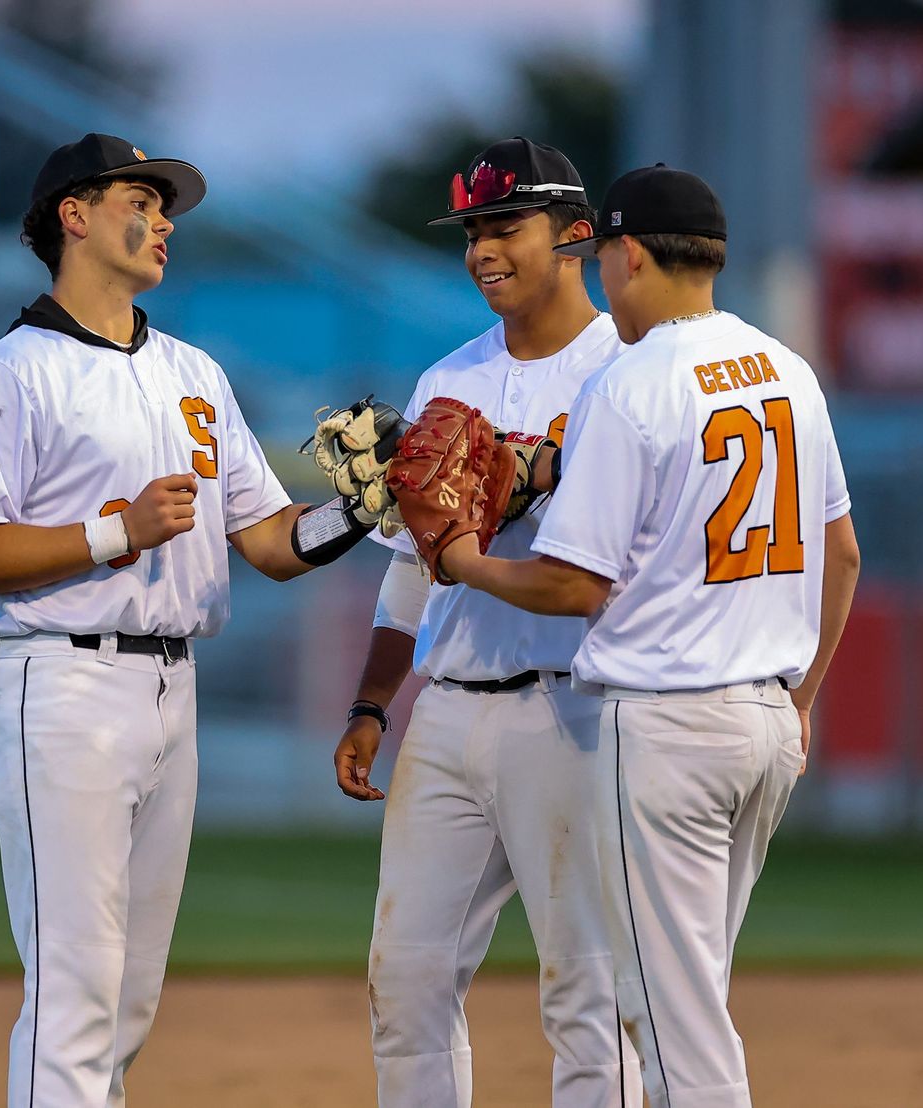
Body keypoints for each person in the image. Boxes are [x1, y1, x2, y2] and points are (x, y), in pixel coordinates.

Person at [0, 133, 379, 1108]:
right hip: (63, 683)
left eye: (166, 206)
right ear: (74, 216)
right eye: (141, 200)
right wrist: (113, 532)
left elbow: (270, 541)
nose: (165, 221)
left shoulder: (194, 373)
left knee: (128, 1000)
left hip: (173, 689)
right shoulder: (11, 372)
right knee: (76, 994)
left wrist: (362, 511)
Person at [429, 164, 862, 1106]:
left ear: (627, 255)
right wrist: (802, 701)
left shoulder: (630, 384)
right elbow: (844, 554)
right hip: (766, 726)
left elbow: (571, 583)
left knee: (672, 1025)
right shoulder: (789, 370)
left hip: (666, 731)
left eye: (603, 256)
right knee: (692, 995)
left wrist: (463, 562)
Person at [333, 137, 642, 1106]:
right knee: (406, 980)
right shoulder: (445, 381)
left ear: (576, 235)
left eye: (506, 225)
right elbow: (410, 569)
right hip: (451, 707)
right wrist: (374, 704)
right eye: (472, 231)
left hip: (578, 707)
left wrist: (538, 474)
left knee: (589, 993)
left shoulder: (627, 372)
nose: (482, 249)